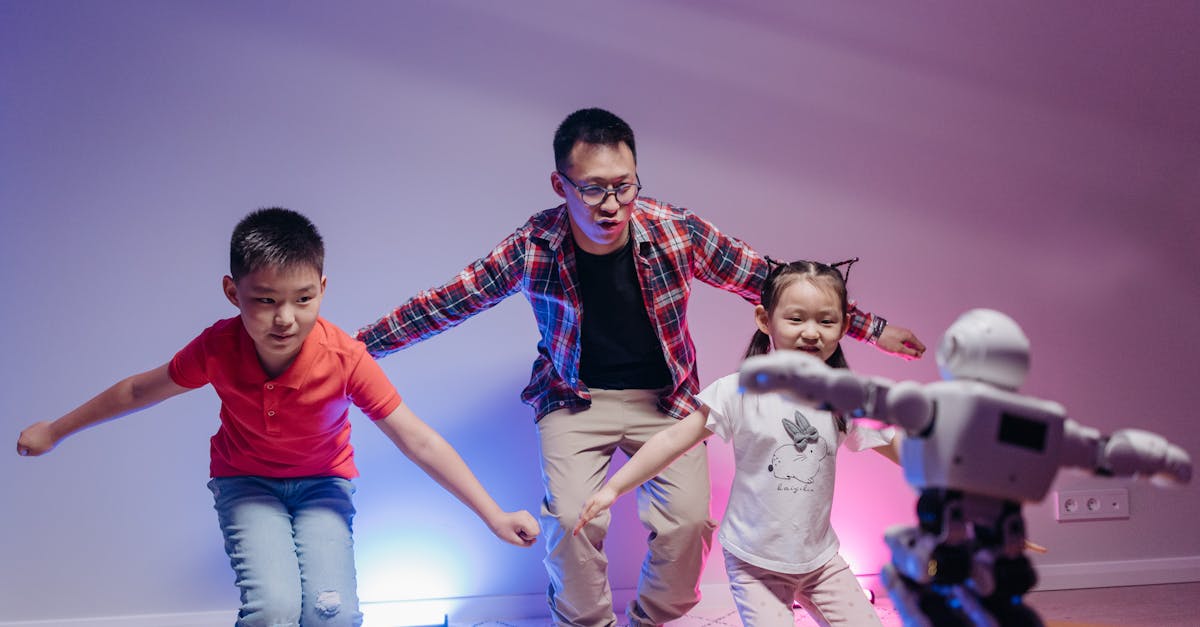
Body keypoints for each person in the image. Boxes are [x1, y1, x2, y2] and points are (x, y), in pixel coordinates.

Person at [355, 107, 926, 626]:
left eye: (623, 187)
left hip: (668, 402)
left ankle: (651, 621)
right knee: (574, 521)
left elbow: (780, 286)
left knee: (687, 527)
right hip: (575, 399)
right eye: (593, 189)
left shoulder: (675, 231)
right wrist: (353, 350)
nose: (611, 204)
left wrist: (871, 327)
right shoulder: (534, 245)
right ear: (561, 185)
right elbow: (447, 302)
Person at [16, 208, 539, 627]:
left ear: (323, 288)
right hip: (246, 485)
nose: (285, 318)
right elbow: (137, 390)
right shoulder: (218, 347)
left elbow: (417, 439)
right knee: (274, 611)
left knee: (331, 614)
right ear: (232, 292)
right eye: (264, 301)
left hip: (323, 488)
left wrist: (493, 515)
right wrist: (55, 430)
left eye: (303, 299)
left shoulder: (344, 357)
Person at [574, 259, 898, 626]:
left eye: (826, 321)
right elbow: (672, 440)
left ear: (842, 327)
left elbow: (897, 445)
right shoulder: (738, 391)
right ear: (765, 320)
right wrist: (613, 488)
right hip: (754, 564)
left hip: (820, 561)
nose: (812, 333)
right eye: (796, 319)